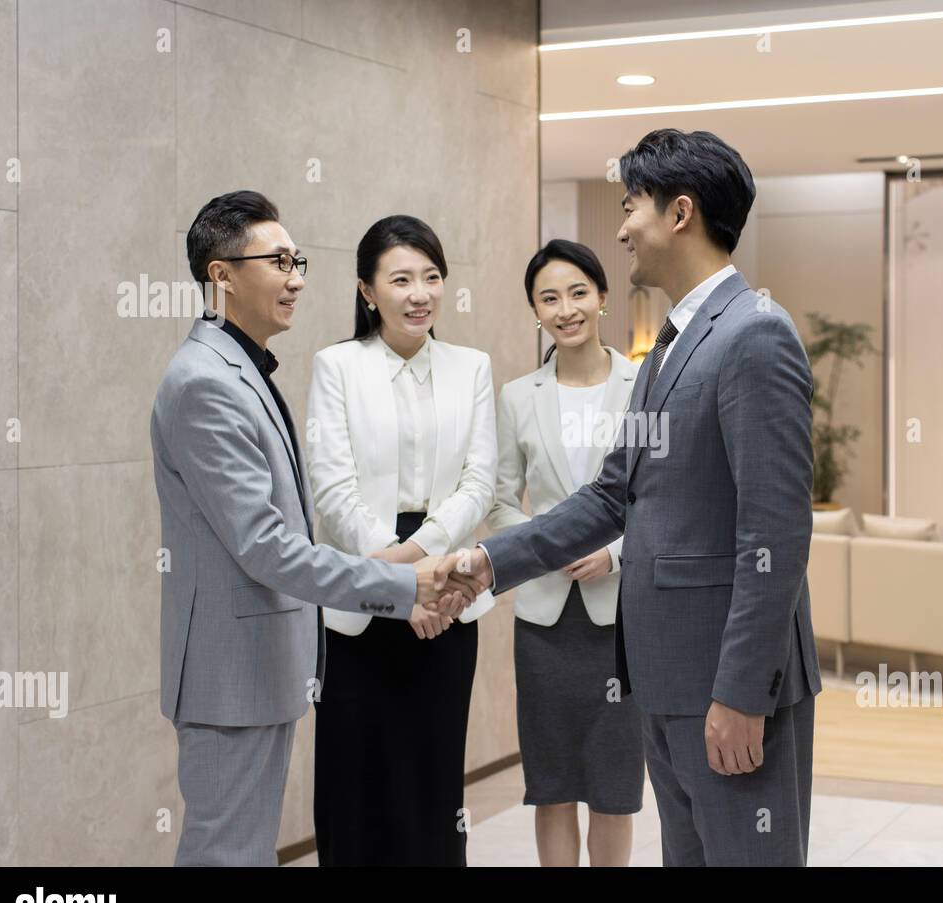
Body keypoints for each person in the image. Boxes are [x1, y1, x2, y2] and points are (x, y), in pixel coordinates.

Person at [448, 130, 821, 866]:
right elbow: (608, 497)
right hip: (665, 680)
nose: (620, 228)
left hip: (729, 688)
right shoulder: (669, 350)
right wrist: (485, 563)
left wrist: (743, 693)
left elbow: (774, 534)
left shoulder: (755, 336)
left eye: (631, 207)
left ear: (680, 213)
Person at [151, 191, 468, 867]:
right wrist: (398, 582)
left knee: (242, 851)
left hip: (256, 669)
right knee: (226, 854)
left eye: (298, 260)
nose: (296, 276)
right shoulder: (206, 383)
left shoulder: (240, 369)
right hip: (227, 676)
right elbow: (267, 545)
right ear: (221, 274)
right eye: (278, 260)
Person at [306, 215, 496, 866]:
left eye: (432, 276)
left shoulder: (472, 367)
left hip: (447, 583)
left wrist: (421, 564)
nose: (420, 293)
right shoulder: (337, 366)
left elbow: (479, 481)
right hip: (361, 587)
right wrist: (391, 576)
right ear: (367, 291)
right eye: (401, 279)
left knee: (434, 774)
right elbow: (331, 486)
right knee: (354, 776)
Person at [488, 240, 643, 866]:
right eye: (549, 297)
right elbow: (499, 502)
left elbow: (663, 500)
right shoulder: (517, 396)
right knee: (551, 786)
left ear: (602, 297)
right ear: (535, 310)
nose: (566, 308)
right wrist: (543, 547)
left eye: (578, 292)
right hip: (545, 620)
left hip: (622, 619)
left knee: (615, 786)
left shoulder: (645, 385)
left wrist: (616, 554)